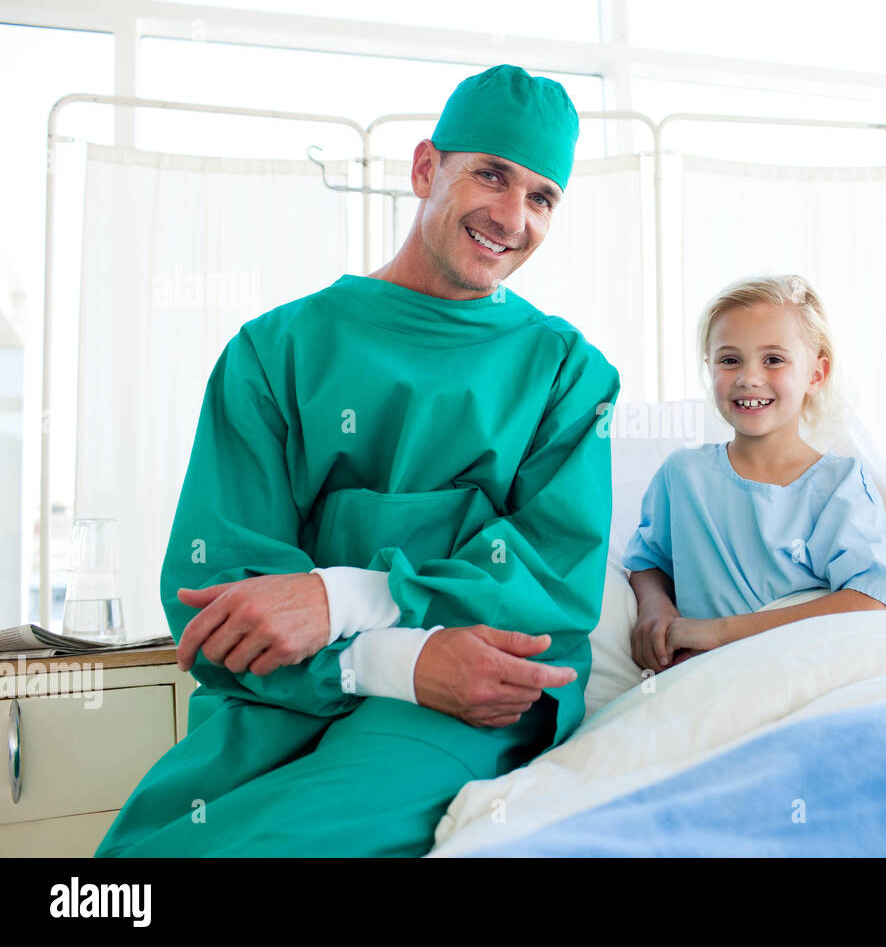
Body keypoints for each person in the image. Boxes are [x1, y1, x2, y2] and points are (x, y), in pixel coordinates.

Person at [95, 65, 620, 857]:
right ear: (423, 170)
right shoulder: (275, 354)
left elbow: (547, 578)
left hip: (466, 701)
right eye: (491, 175)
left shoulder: (567, 374)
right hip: (284, 697)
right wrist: (389, 657)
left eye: (542, 197)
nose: (512, 217)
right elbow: (219, 599)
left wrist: (339, 598)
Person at [624, 274, 886, 672]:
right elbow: (648, 560)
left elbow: (876, 598)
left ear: (816, 373)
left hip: (806, 673)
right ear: (710, 369)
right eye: (730, 360)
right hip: (707, 682)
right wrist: (655, 609)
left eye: (773, 360)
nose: (749, 378)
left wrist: (721, 632)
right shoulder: (683, 476)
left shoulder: (839, 485)